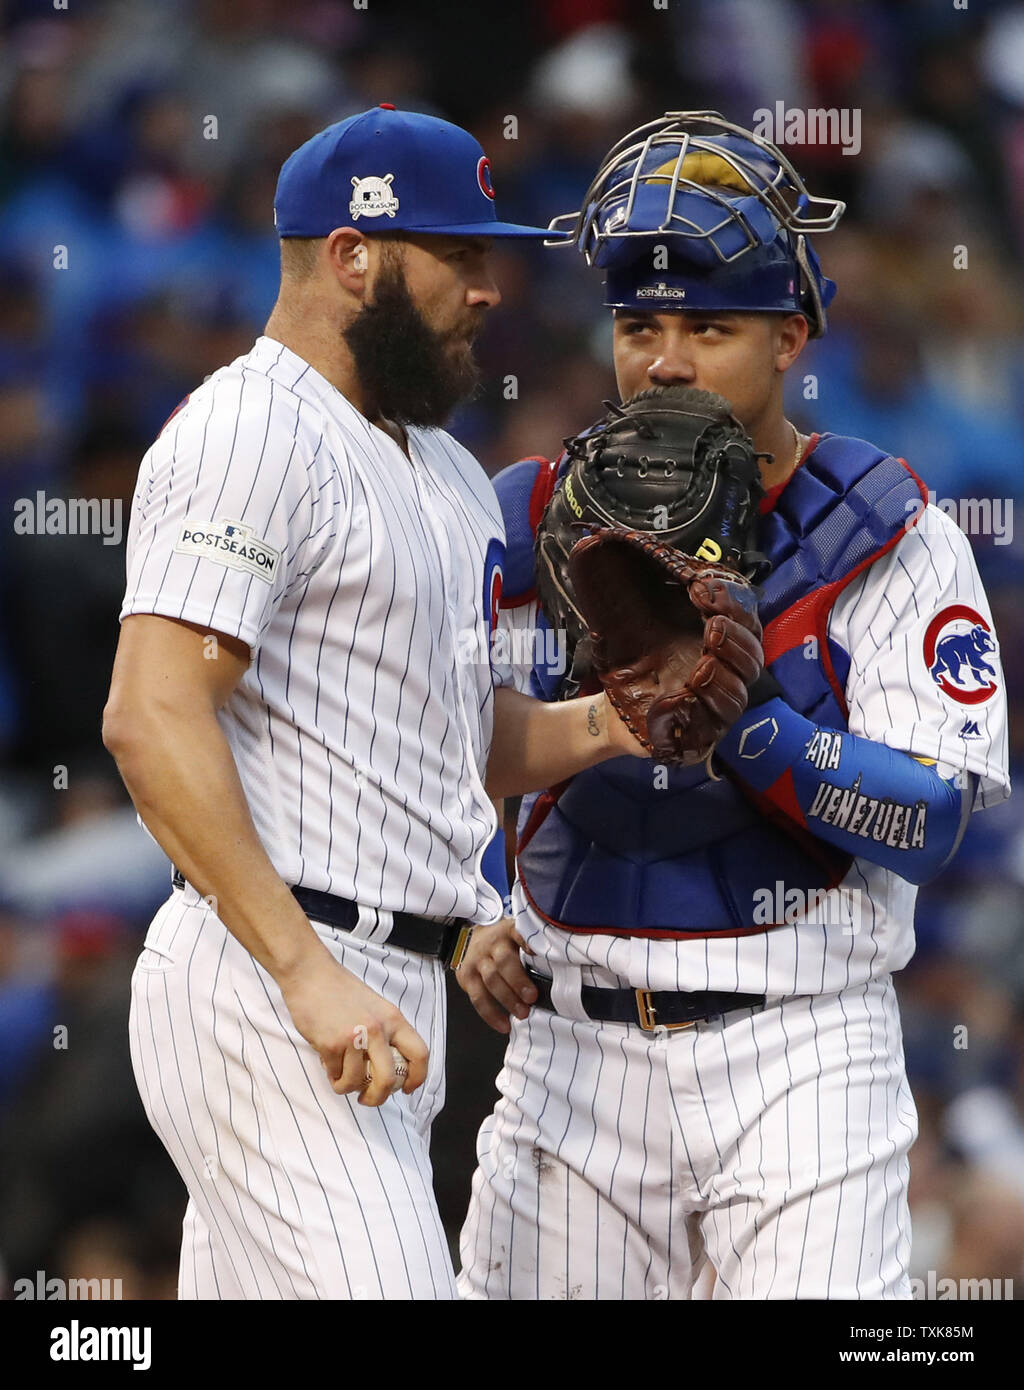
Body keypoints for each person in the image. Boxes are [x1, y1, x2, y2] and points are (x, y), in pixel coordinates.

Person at [456, 112, 1011, 1300]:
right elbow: (418, 744)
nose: (665, 361)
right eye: (638, 324)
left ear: (791, 335)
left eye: (709, 326)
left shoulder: (884, 532)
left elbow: (932, 818)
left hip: (799, 1053)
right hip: (573, 1055)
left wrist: (746, 722)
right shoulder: (520, 512)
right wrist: (464, 906)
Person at [103, 106, 643, 1301]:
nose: (487, 286)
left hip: (394, 996)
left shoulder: (448, 471)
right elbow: (151, 716)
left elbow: (461, 738)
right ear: (354, 255)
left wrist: (616, 722)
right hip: (271, 978)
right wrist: (301, 970)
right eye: (458, 252)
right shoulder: (252, 429)